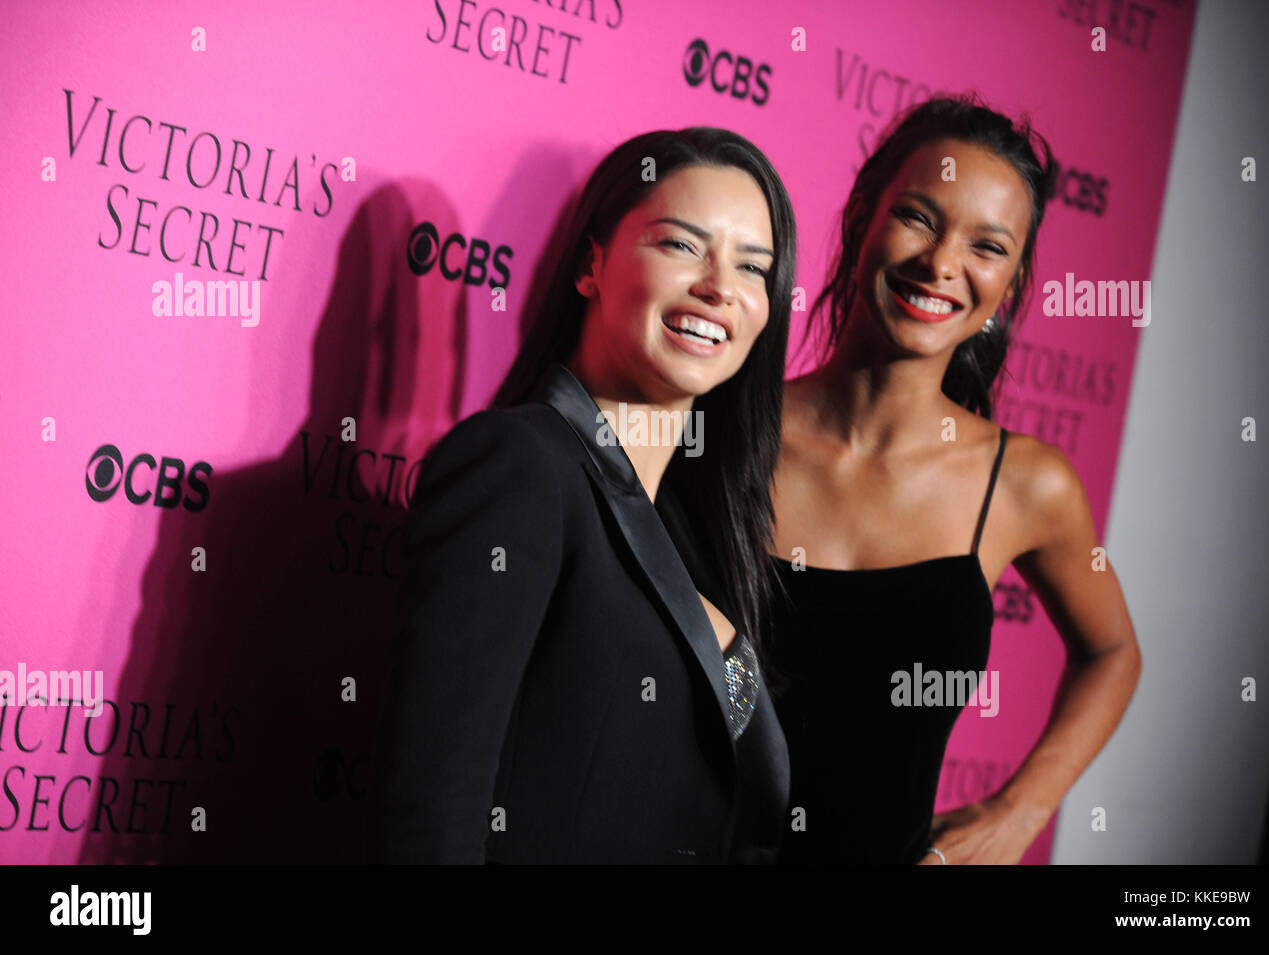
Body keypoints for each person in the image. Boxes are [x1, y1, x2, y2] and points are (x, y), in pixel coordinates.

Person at [367, 126, 797, 863]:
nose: (719, 286)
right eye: (681, 245)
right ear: (591, 262)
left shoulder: (701, 534)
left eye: (753, 266)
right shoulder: (520, 467)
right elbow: (431, 814)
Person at [763, 95, 1141, 864]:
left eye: (988, 246)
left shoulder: (1027, 484)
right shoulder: (727, 429)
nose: (941, 265)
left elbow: (1113, 652)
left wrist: (1018, 811)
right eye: (919, 217)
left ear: (1013, 281)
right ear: (863, 211)